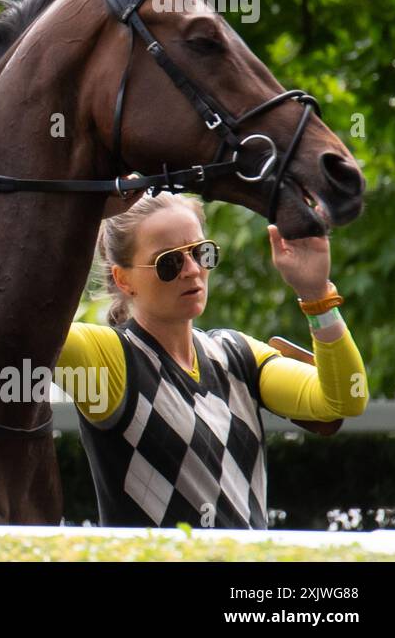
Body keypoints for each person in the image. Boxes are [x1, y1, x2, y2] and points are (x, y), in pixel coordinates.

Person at [55, 190, 367, 528]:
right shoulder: (109, 357)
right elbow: (20, 328)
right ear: (123, 279)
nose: (191, 270)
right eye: (170, 262)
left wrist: (317, 295)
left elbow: (343, 400)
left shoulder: (237, 354)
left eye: (201, 253)